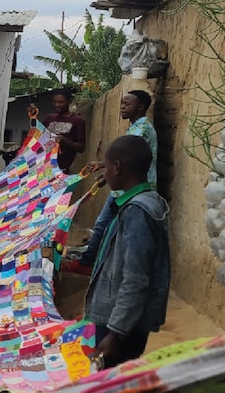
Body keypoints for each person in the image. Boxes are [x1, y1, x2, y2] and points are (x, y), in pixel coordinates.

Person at [84, 134, 171, 369]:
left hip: (119, 323)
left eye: (108, 167)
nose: (107, 174)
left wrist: (116, 333)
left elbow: (136, 279)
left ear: (118, 167)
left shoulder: (137, 212)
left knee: (108, 385)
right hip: (122, 319)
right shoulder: (147, 202)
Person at [66, 90, 159, 274]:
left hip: (133, 190)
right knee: (104, 225)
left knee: (109, 226)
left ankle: (91, 263)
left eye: (127, 104)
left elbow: (126, 157)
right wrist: (105, 171)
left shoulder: (142, 129)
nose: (122, 107)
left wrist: (104, 168)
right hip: (124, 187)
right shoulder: (135, 127)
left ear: (140, 106)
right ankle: (91, 260)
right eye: (122, 103)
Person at [39, 88, 86, 173]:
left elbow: (81, 148)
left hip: (61, 169)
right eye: (54, 102)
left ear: (69, 101)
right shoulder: (49, 118)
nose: (57, 105)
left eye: (60, 102)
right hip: (42, 166)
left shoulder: (78, 121)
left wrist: (65, 141)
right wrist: (33, 117)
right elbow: (38, 136)